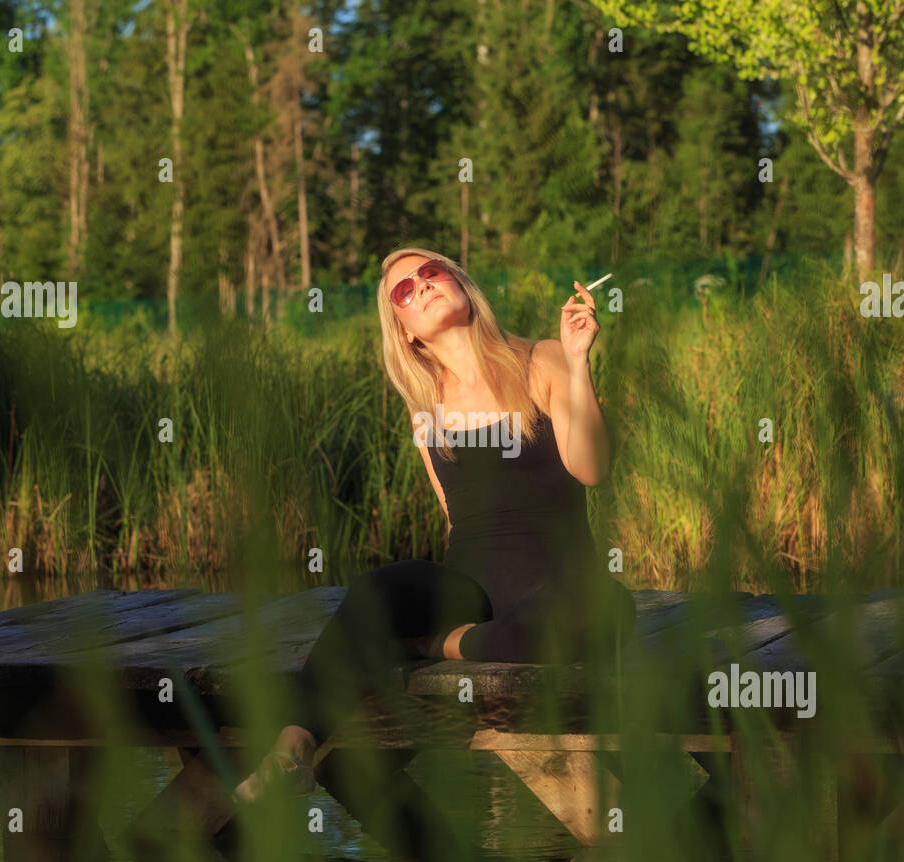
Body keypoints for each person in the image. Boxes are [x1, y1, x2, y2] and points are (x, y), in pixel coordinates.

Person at [232, 248, 636, 820]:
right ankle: (291, 752)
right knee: (380, 589)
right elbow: (455, 519)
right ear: (405, 332)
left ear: (462, 284)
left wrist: (578, 363)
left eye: (431, 273)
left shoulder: (541, 360)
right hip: (466, 592)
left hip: (558, 592)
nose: (421, 287)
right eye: (404, 290)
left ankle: (440, 644)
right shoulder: (428, 408)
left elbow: (592, 469)